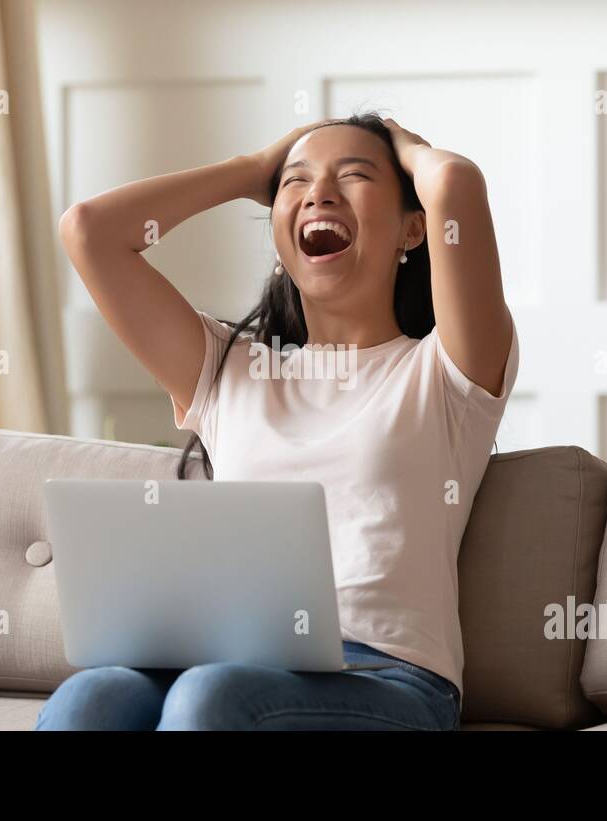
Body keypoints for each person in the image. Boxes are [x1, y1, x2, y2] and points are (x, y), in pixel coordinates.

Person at [38, 111, 518, 730]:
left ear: (412, 229)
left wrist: (404, 145)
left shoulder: (448, 373)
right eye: (297, 181)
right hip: (232, 659)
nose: (320, 192)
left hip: (387, 677)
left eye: (354, 175)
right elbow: (89, 231)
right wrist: (252, 170)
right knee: (93, 696)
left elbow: (455, 183)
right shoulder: (229, 371)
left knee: (209, 697)